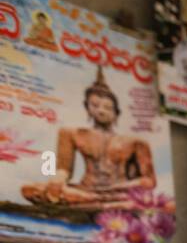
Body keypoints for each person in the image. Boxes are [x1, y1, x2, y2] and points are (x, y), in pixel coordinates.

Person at [22, 67, 157, 211]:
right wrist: (58, 179)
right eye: (95, 105)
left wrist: (116, 188)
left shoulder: (135, 142)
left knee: (141, 200)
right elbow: (63, 169)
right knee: (29, 189)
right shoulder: (71, 133)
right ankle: (101, 203)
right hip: (85, 190)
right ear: (87, 108)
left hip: (118, 192)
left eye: (107, 107)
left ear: (116, 113)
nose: (101, 110)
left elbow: (149, 181)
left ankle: (94, 204)